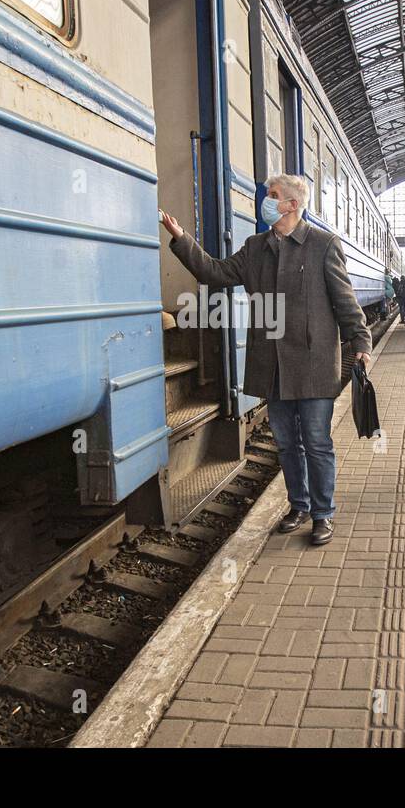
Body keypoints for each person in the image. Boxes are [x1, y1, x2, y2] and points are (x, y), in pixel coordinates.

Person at [160, 173, 371, 545]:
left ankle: (323, 514)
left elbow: (345, 300)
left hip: (314, 363)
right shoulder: (256, 247)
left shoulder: (323, 245)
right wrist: (181, 239)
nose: (266, 201)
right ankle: (299, 505)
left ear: (292, 205)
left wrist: (361, 341)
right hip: (272, 365)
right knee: (287, 444)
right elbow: (216, 272)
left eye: (273, 196)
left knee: (317, 442)